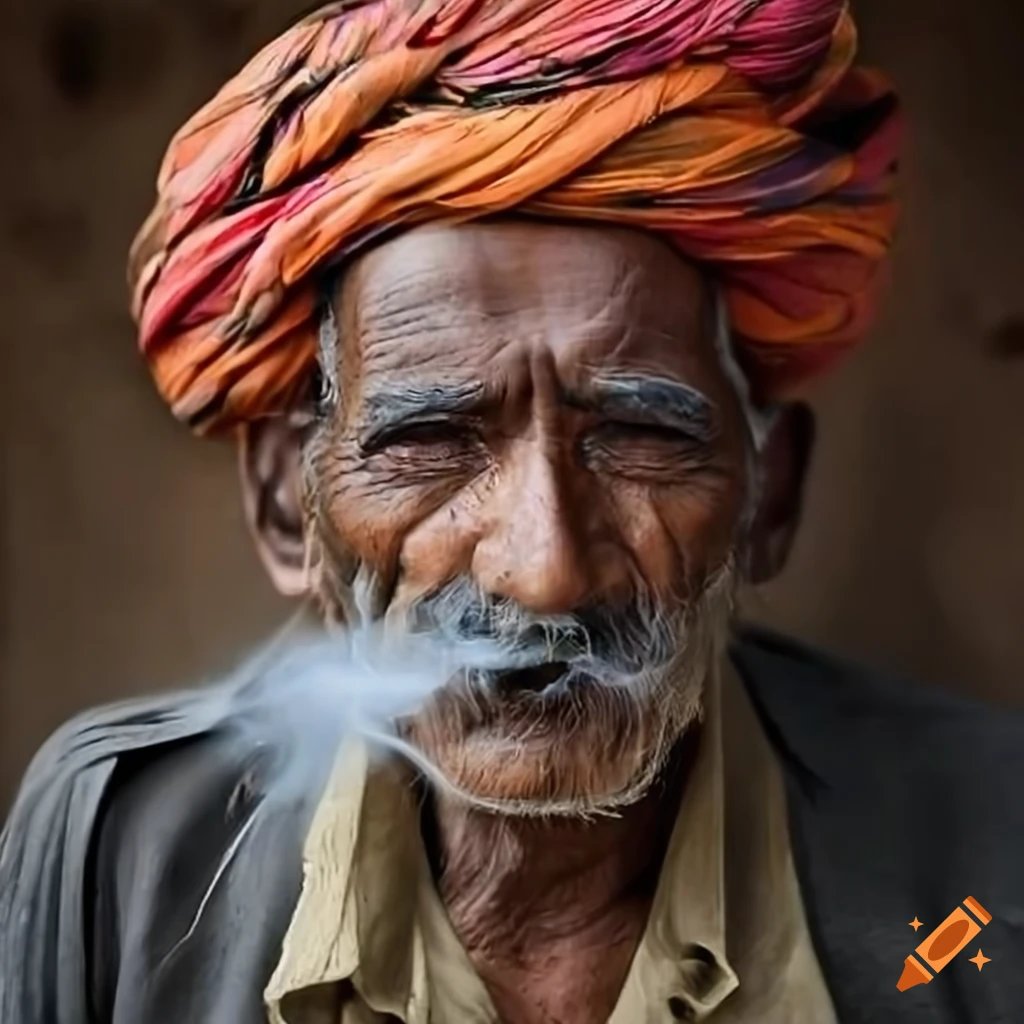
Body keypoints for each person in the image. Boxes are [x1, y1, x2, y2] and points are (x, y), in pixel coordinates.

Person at [2, 2, 1023, 1022]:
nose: (546, 572)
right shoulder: (113, 851)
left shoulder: (989, 856)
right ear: (285, 505)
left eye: (641, 436)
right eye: (431, 443)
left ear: (769, 497)